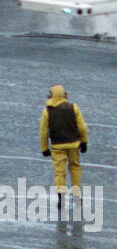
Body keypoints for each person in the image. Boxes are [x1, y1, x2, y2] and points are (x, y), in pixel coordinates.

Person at [39, 84, 89, 215]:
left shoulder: (47, 111)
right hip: (73, 144)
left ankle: (61, 197)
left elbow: (43, 131)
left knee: (59, 172)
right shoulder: (73, 108)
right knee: (75, 167)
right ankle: (77, 195)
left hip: (57, 146)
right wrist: (84, 142)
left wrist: (45, 148)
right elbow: (82, 127)